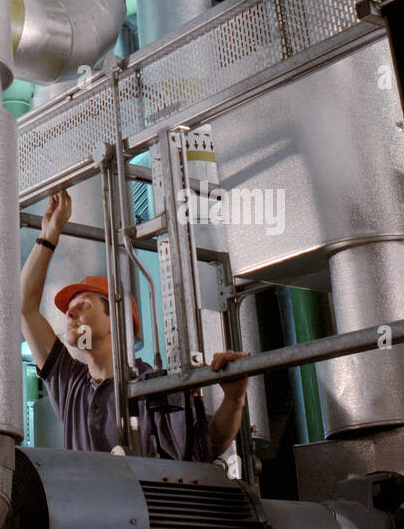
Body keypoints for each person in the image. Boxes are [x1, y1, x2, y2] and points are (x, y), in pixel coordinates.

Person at [20, 188, 250, 461]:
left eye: (83, 306)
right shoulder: (70, 383)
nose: (69, 315)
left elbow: (207, 444)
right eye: (69, 310)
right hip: (86, 505)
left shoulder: (155, 388)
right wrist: (48, 235)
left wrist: (234, 400)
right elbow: (25, 307)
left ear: (116, 323)